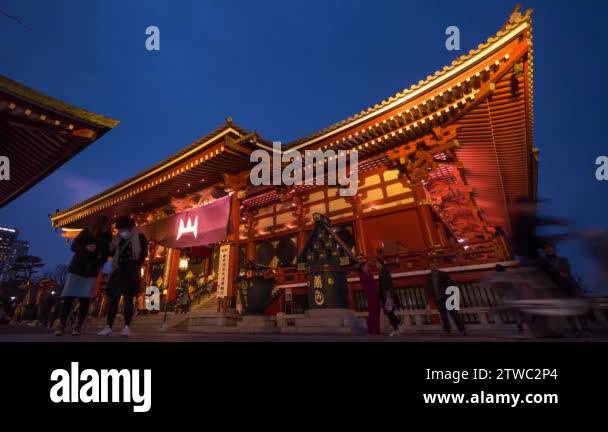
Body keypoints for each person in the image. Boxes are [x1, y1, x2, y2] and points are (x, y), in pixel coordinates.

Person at [53, 215, 112, 336]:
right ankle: (62, 324)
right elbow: (74, 246)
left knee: (85, 299)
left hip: (92, 270)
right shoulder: (87, 232)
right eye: (106, 224)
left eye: (108, 225)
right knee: (68, 297)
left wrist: (100, 260)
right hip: (77, 268)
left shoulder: (108, 238)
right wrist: (85, 248)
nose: (108, 227)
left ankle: (78, 325)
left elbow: (107, 254)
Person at [98, 217, 148, 337]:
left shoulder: (140, 238)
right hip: (118, 270)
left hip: (131, 270)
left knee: (128, 299)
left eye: (123, 229)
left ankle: (127, 326)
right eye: (120, 229)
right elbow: (110, 253)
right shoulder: (117, 240)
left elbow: (143, 254)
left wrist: (135, 264)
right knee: (113, 300)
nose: (121, 231)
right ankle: (108, 326)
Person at [425, 261, 466, 335]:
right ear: (429, 267)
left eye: (434, 265)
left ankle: (462, 330)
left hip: (448, 298)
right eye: (431, 265)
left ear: (437, 266)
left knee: (454, 314)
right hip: (437, 299)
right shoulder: (428, 277)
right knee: (443, 316)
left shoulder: (444, 274)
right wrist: (428, 302)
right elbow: (428, 289)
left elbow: (452, 285)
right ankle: (447, 331)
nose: (432, 267)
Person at [377, 259, 402, 336]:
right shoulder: (383, 271)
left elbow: (386, 283)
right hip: (387, 293)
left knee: (389, 311)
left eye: (377, 263)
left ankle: (396, 327)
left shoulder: (384, 271)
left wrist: (388, 294)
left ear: (380, 263)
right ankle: (397, 327)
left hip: (387, 293)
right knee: (389, 311)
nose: (376, 265)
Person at [358, 260, 380, 335]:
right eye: (366, 265)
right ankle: (371, 329)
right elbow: (366, 285)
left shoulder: (369, 273)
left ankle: (377, 329)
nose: (368, 266)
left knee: (377, 311)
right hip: (370, 294)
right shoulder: (362, 275)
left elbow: (374, 283)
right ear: (363, 267)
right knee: (372, 311)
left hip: (375, 293)